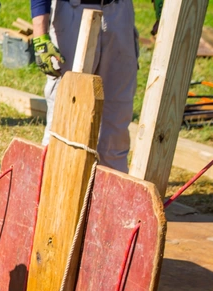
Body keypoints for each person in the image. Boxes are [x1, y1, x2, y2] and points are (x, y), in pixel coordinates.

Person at [31, 0, 137, 172]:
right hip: (73, 13)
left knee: (117, 118)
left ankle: (109, 195)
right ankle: (52, 190)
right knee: (63, 119)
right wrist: (40, 33)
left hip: (119, 12)